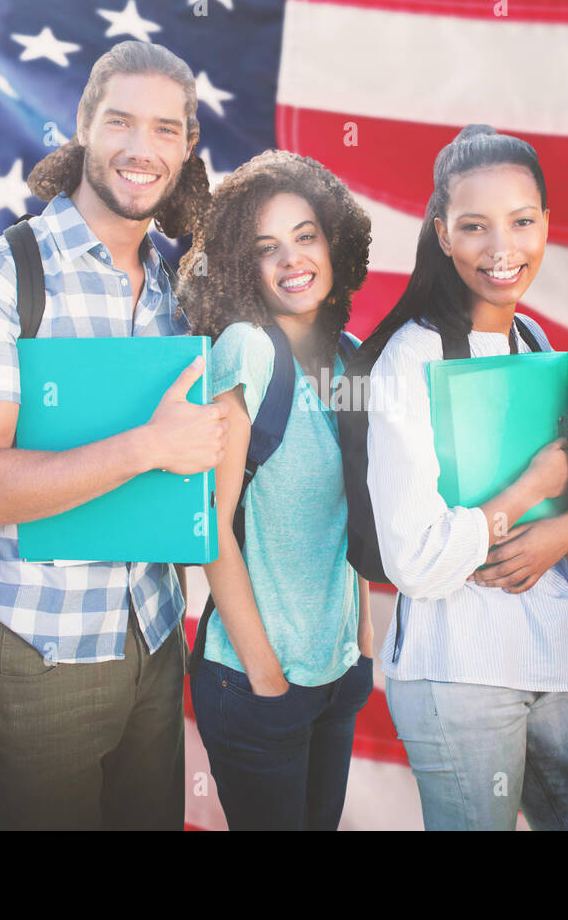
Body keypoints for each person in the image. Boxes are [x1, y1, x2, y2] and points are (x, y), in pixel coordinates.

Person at [0, 40, 225, 830]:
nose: (142, 148)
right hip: (40, 647)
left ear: (187, 147)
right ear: (82, 128)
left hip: (156, 634)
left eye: (166, 130)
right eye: (121, 122)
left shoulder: (175, 286)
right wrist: (149, 447)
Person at [359, 125, 568, 831]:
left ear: (546, 225)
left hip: (545, 654)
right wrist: (529, 492)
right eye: (474, 226)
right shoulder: (411, 358)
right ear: (442, 235)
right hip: (458, 671)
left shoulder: (534, 342)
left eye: (522, 222)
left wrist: (561, 528)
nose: (503, 249)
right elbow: (414, 559)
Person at [177, 150, 375, 830]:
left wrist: (362, 646)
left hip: (337, 674)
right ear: (243, 265)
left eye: (306, 236)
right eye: (268, 248)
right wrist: (266, 675)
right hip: (257, 679)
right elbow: (208, 524)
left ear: (334, 240)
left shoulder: (350, 354)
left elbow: (356, 519)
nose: (292, 260)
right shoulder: (248, 350)